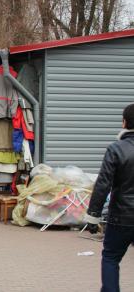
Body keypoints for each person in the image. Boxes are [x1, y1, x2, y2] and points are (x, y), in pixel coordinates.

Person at [85, 103, 134, 292]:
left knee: (111, 258)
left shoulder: (116, 149)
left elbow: (103, 184)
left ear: (124, 123)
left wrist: (93, 216)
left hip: (120, 217)